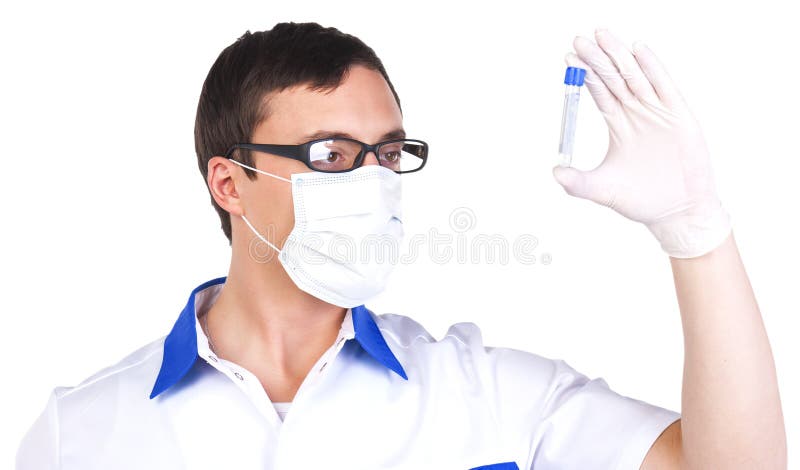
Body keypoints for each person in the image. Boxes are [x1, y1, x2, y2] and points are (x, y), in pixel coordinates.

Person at [16, 22, 786, 470]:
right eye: (331, 155)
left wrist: (696, 233)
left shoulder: (486, 392)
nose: (373, 180)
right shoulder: (79, 433)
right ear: (230, 183)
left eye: (387, 152)